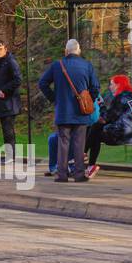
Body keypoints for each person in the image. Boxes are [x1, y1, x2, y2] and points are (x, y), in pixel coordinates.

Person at [36, 39, 99, 183]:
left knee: (63, 143)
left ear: (66, 51)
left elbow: (42, 83)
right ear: (79, 51)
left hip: (63, 111)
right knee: (79, 144)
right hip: (81, 112)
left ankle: (62, 175)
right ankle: (79, 175)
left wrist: (54, 98)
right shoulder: (87, 65)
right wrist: (88, 100)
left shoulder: (57, 65)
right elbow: (95, 88)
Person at [84, 74, 132, 178]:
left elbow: (106, 118)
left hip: (122, 135)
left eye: (111, 84)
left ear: (118, 85)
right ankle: (88, 162)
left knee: (95, 130)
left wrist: (101, 105)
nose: (110, 87)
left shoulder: (120, 99)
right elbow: (114, 117)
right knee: (96, 130)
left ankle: (84, 157)